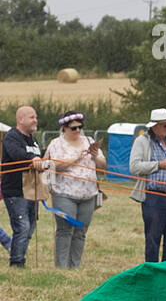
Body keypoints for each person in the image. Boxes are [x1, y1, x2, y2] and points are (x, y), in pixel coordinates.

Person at [44, 110, 106, 269]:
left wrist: (95, 156)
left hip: (88, 194)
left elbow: (103, 166)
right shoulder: (56, 144)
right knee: (65, 230)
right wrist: (77, 157)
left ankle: (74, 266)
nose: (78, 130)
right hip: (64, 194)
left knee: (81, 231)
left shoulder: (89, 140)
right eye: (73, 128)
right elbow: (55, 166)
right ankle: (62, 267)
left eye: (80, 127)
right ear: (64, 128)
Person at [129, 108, 166, 263]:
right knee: (153, 238)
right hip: (154, 196)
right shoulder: (142, 141)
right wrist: (158, 165)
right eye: (165, 125)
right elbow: (134, 167)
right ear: (155, 126)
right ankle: (151, 272)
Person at [2, 105, 44, 268]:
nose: (35, 120)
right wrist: (32, 159)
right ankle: (17, 262)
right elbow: (17, 155)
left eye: (36, 117)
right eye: (32, 117)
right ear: (21, 119)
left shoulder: (32, 139)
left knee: (31, 226)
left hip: (32, 189)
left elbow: (38, 157)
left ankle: (18, 254)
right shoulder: (11, 137)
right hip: (15, 191)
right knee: (22, 226)